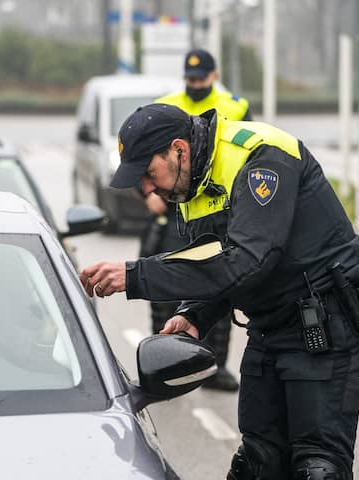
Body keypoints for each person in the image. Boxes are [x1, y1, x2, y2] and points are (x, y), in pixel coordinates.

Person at [79, 103, 359, 479]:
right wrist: (193, 315)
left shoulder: (262, 156)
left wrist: (136, 276)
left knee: (317, 467)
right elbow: (214, 261)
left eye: (149, 173)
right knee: (259, 462)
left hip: (325, 327)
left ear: (179, 150)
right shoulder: (188, 188)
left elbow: (250, 260)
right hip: (269, 327)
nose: (147, 188)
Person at [139, 48, 250, 391]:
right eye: (190, 79)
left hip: (216, 207)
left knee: (218, 281)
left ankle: (215, 365)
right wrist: (146, 195)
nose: (195, 84)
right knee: (167, 281)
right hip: (174, 212)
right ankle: (166, 359)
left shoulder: (237, 106)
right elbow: (137, 157)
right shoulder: (166, 103)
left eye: (200, 79)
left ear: (214, 76)